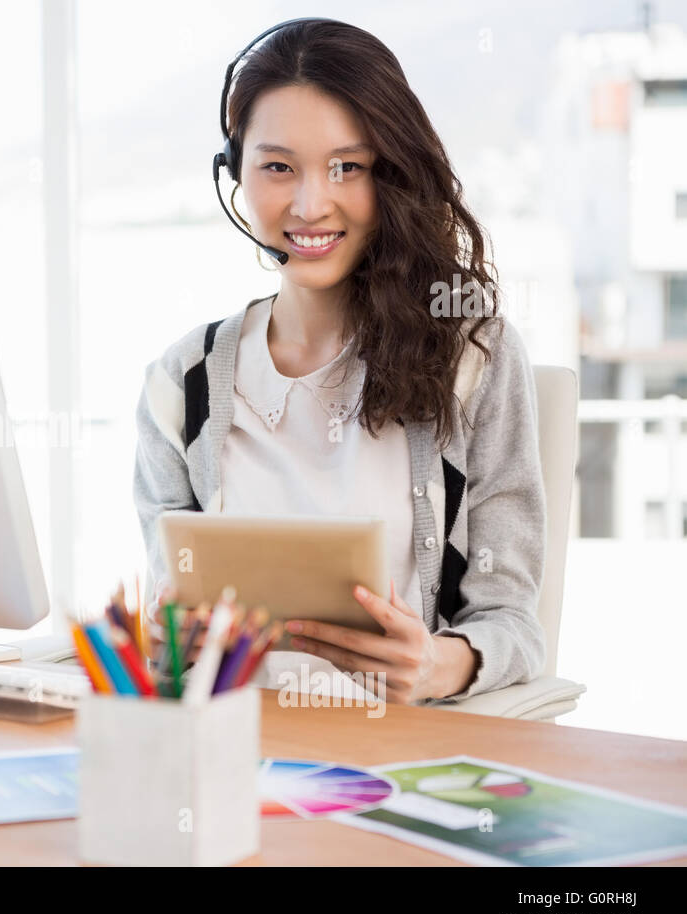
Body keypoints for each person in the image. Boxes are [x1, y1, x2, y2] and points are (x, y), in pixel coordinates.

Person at [132, 19, 546, 705]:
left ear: (390, 174)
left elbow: (513, 624)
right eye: (277, 166)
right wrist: (166, 647)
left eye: (346, 167)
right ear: (234, 175)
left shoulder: (473, 355)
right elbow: (169, 627)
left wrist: (441, 664)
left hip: (400, 768)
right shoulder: (183, 383)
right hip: (233, 757)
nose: (310, 203)